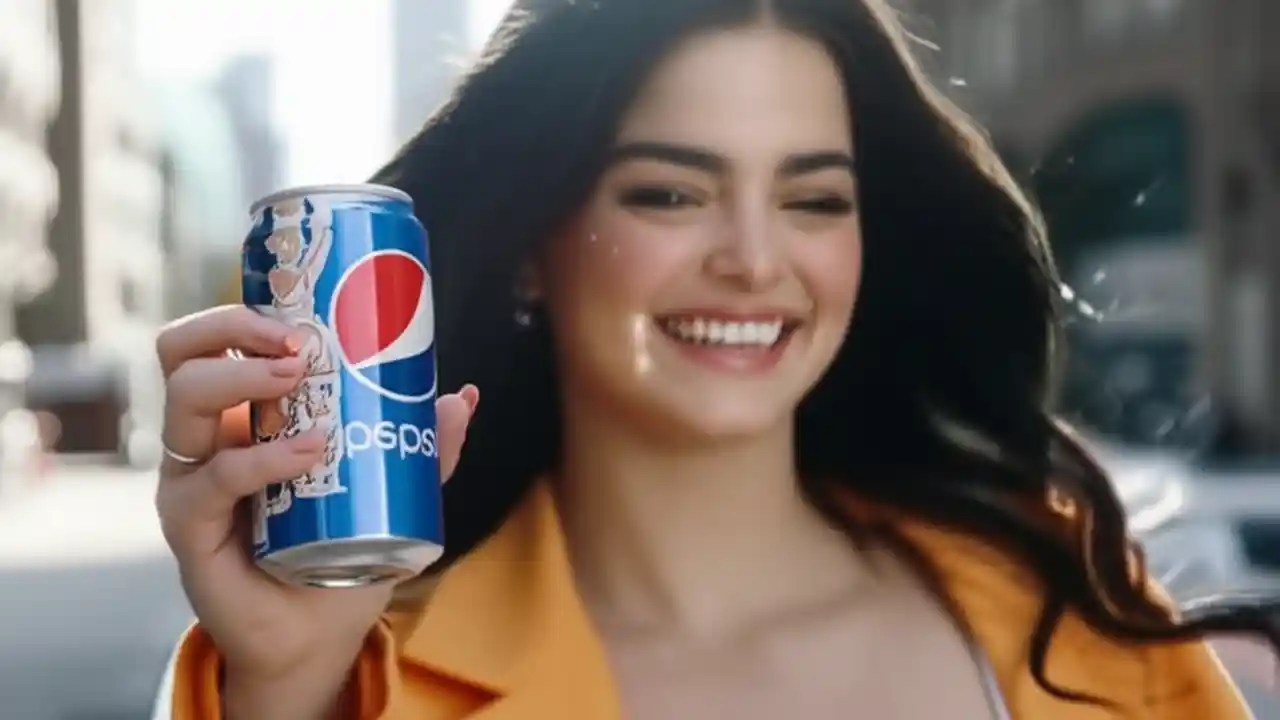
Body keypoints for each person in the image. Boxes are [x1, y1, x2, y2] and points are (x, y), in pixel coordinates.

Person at [153, 0, 1279, 717]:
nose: (753, 259)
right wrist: (286, 690)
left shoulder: (1069, 611)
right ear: (537, 246)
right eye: (669, 193)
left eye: (813, 199)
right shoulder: (370, 682)